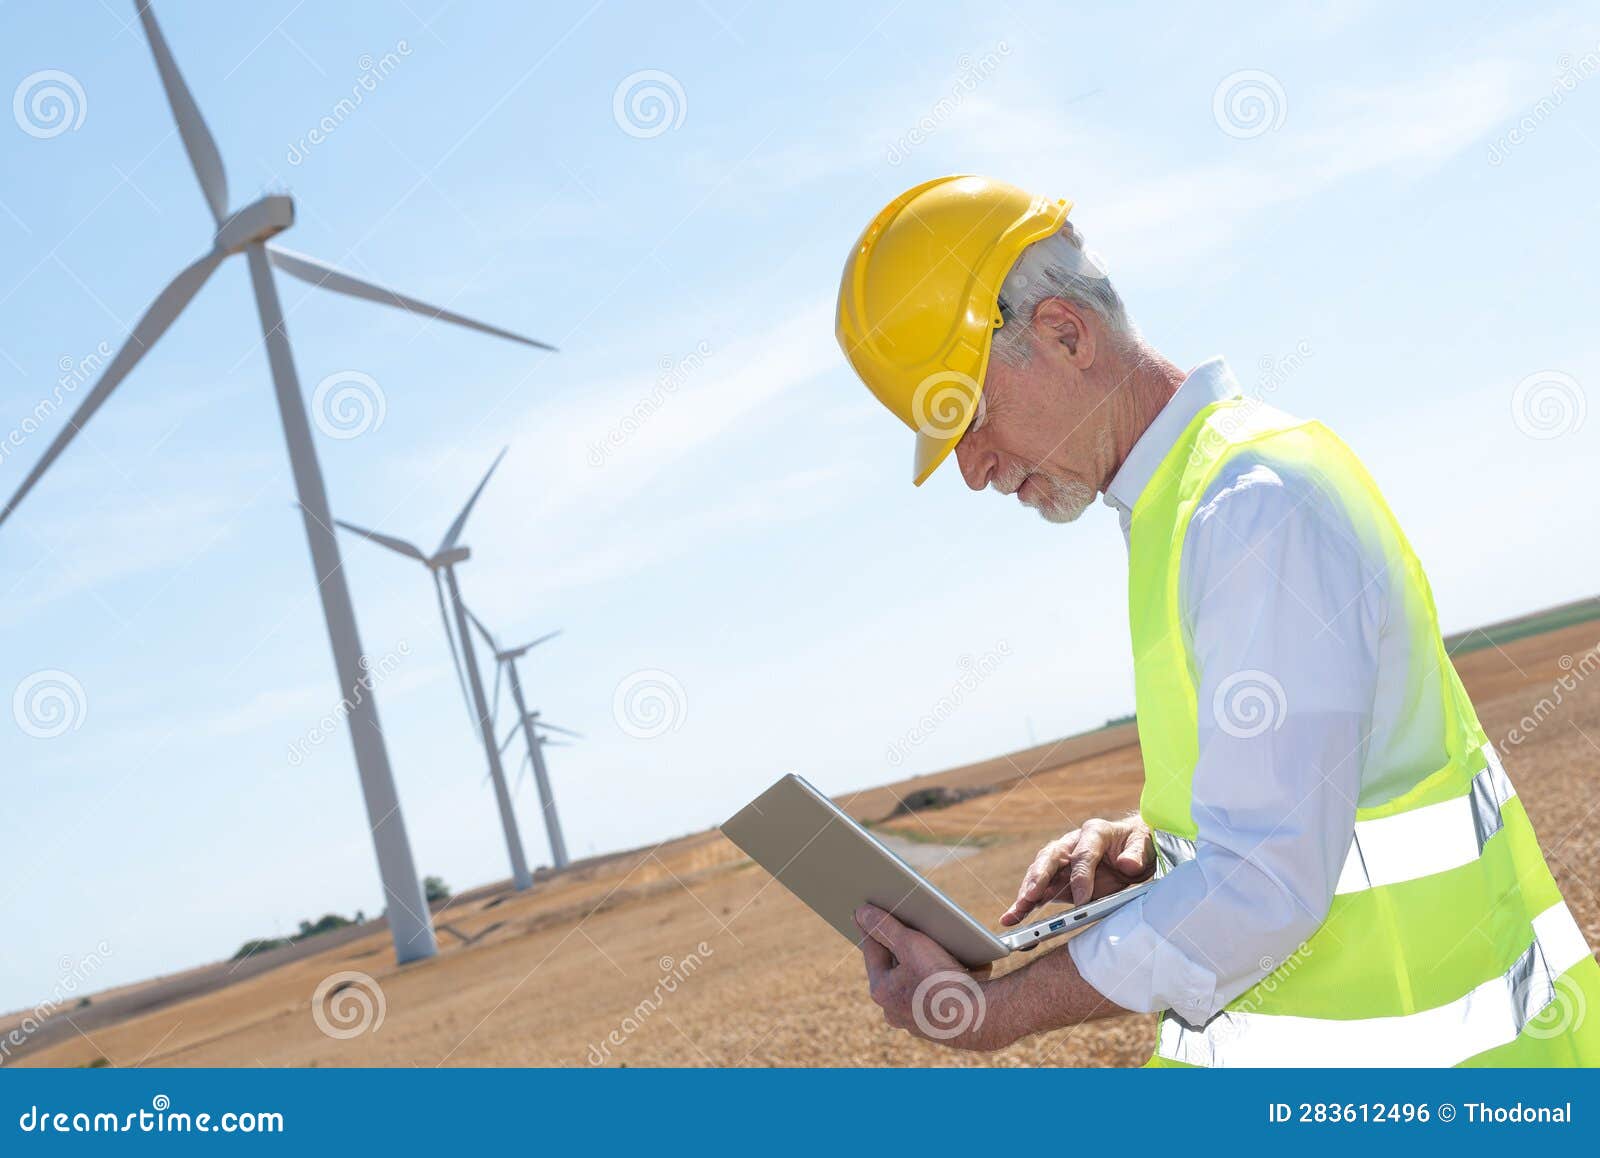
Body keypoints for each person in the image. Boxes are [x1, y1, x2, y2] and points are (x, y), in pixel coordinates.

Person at [835, 175, 1600, 1066]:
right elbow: (1298, 803)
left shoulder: (1248, 511)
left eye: (966, 417)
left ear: (1065, 334)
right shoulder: (1185, 507)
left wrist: (999, 1011)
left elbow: (1264, 881)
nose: (972, 470)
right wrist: (1158, 849)